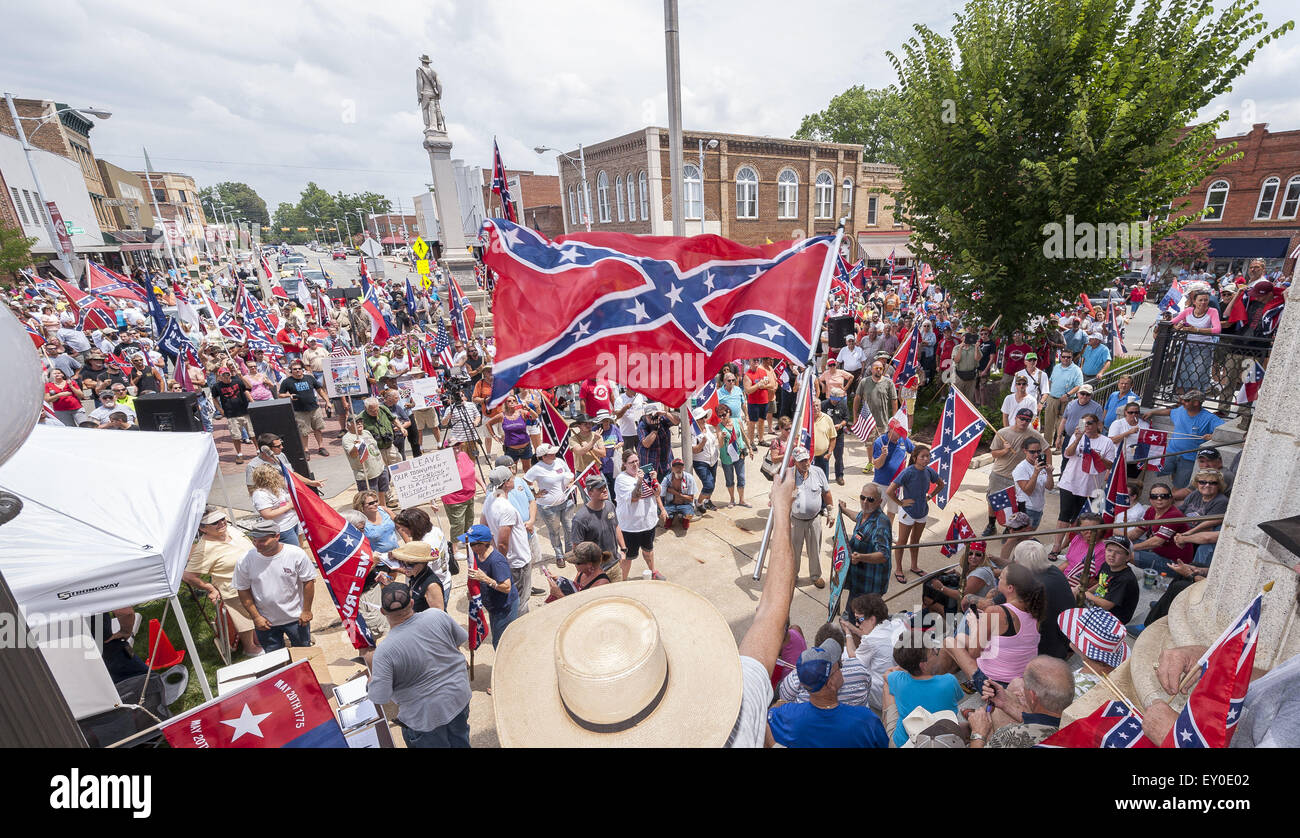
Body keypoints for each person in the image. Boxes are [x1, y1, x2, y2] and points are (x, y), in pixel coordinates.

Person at [366, 582, 470, 748]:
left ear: (383, 612)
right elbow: (459, 639)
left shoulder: (384, 651)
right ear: (412, 602)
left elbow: (380, 697)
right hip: (458, 699)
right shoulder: (437, 615)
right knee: (461, 741)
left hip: (425, 720)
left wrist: (372, 682)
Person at [765, 636, 888, 748]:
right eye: (839, 666)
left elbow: (763, 720)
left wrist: (779, 704)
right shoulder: (866, 720)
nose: (841, 668)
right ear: (830, 683)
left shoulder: (784, 715)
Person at [940, 563, 1044, 692]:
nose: (999, 577)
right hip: (1020, 677)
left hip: (992, 685)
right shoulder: (1035, 609)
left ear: (1010, 588)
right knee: (960, 637)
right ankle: (947, 675)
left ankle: (935, 681)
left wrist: (974, 624)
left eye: (1002, 577)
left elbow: (974, 652)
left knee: (949, 641)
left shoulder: (996, 611)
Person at [183, 508, 261, 656]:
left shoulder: (231, 530)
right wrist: (210, 588)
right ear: (202, 528)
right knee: (244, 620)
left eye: (222, 519)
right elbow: (188, 576)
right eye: (214, 522)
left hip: (256, 582)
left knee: (258, 614)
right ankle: (250, 648)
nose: (221, 523)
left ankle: (259, 640)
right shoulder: (204, 549)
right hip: (234, 590)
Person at [234, 519, 317, 652]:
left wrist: (306, 610)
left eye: (262, 540)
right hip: (266, 623)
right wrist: (256, 617)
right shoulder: (245, 560)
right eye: (254, 540)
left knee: (303, 654)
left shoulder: (296, 554)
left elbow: (308, 582)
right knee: (275, 660)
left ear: (277, 536)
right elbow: (243, 590)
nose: (257, 544)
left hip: (296, 619)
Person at [968, 655, 1074, 748]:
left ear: (1032, 696)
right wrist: (1006, 704)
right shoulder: (1078, 719)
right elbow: (1045, 721)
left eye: (1025, 684)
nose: (1022, 687)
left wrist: (978, 734)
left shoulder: (1012, 737)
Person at [881, 631, 964, 748]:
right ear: (923, 665)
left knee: (887, 685)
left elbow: (886, 674)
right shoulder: (949, 681)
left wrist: (904, 667)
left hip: (903, 741)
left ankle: (886, 724)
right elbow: (959, 697)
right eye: (933, 651)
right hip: (942, 739)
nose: (936, 651)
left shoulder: (897, 679)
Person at [1050, 413, 1115, 556]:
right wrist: (1078, 438)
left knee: (1084, 519)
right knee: (1064, 515)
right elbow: (1067, 454)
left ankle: (1073, 547)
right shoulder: (1077, 437)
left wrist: (1098, 457)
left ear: (1098, 425)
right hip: (1071, 482)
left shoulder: (1106, 442)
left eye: (1090, 423)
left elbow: (1110, 464)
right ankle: (1056, 546)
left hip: (1093, 487)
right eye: (1084, 423)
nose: (1087, 426)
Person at [985, 408, 1047, 536]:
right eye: (1022, 418)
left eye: (1028, 420)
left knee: (1014, 505)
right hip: (1000, 473)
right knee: (993, 501)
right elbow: (994, 453)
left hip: (1020, 476)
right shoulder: (1003, 433)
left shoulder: (1034, 434)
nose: (1024, 422)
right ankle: (991, 524)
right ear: (1016, 418)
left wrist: (1045, 466)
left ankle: (1010, 528)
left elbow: (1046, 449)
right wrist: (1005, 451)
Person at [482, 466, 536, 612]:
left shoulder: (489, 499)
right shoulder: (506, 509)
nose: (515, 480)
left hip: (507, 560)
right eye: (512, 478)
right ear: (506, 483)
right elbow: (503, 542)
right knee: (521, 601)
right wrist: (501, 562)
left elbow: (483, 526)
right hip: (516, 562)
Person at [888, 444, 944, 580]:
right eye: (922, 457)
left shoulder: (929, 471)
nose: (926, 459)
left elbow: (941, 484)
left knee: (915, 541)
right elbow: (890, 491)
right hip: (908, 512)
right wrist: (901, 503)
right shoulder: (908, 472)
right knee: (902, 541)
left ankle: (914, 566)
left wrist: (930, 496)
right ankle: (899, 569)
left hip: (922, 512)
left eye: (928, 456)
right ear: (915, 457)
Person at [839, 593, 903, 713]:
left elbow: (854, 658)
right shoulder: (892, 625)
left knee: (844, 656)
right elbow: (872, 636)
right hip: (896, 690)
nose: (857, 623)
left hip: (879, 696)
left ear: (872, 619)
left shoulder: (871, 641)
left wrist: (848, 633)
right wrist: (853, 628)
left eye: (859, 619)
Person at [461, 524, 517, 647]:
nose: (469, 546)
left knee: (501, 642)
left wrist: (485, 579)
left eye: (471, 544)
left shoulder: (496, 561)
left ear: (482, 544)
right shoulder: (475, 555)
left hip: (504, 607)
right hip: (493, 606)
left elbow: (507, 587)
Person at [614, 450, 667, 580]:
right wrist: (640, 481)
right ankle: (623, 580)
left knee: (648, 550)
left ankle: (653, 571)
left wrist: (654, 480)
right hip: (630, 527)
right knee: (628, 556)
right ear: (625, 464)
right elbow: (635, 497)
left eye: (637, 461)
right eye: (631, 462)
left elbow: (657, 492)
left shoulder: (645, 474)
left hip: (648, 522)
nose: (635, 464)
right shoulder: (622, 479)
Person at [836, 483, 892, 599]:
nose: (865, 502)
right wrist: (844, 510)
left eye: (870, 499)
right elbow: (857, 517)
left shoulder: (881, 524)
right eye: (862, 497)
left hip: (870, 585)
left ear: (880, 501)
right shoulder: (866, 513)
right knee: (852, 611)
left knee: (863, 615)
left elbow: (883, 555)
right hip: (858, 580)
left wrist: (861, 557)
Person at [787, 447, 832, 588]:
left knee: (815, 550)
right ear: (795, 462)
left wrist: (830, 512)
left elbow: (826, 492)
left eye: (807, 459)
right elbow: (783, 498)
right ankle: (792, 576)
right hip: (795, 521)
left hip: (814, 519)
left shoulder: (818, 472)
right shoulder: (789, 475)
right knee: (794, 552)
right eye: (801, 461)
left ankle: (815, 576)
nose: (805, 463)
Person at [569, 472, 626, 583]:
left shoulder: (610, 505)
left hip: (615, 564)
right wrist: (587, 571)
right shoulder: (580, 519)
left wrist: (623, 549)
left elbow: (616, 527)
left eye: (605, 487)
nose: (604, 490)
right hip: (597, 571)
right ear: (590, 493)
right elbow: (576, 549)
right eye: (599, 488)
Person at [392, 507, 451, 608]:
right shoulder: (435, 530)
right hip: (444, 580)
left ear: (413, 527)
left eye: (403, 528)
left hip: (430, 590)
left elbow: (417, 571)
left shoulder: (426, 545)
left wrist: (397, 568)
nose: (402, 531)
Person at [1074, 535, 1140, 624]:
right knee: (1073, 592)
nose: (1112, 555)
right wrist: (1087, 591)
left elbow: (1107, 605)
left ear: (1128, 557)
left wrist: (1086, 594)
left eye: (1118, 553)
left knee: (1076, 613)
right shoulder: (1106, 565)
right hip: (1100, 601)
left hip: (1114, 617)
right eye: (1109, 550)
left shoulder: (1125, 579)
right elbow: (1101, 583)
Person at [441, 442, 482, 571]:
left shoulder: (464, 455)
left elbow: (473, 472)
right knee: (457, 524)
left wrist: (483, 485)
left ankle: (466, 541)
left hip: (469, 495)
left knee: (469, 520)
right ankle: (455, 549)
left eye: (458, 446)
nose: (457, 449)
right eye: (453, 447)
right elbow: (434, 483)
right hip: (454, 499)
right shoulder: (443, 463)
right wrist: (432, 501)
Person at [279, 359, 331, 457]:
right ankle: (306, 450)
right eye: (295, 369)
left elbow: (320, 390)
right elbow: (280, 394)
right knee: (304, 432)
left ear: (302, 369)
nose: (298, 370)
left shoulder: (309, 378)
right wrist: (288, 396)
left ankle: (321, 447)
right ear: (291, 371)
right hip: (300, 411)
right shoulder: (287, 382)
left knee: (318, 429)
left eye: (299, 369)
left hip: (314, 408)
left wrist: (327, 401)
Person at [249, 464, 301, 546]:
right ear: (268, 478)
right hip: (283, 529)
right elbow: (267, 514)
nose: (278, 476)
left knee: (296, 549)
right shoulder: (260, 494)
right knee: (293, 552)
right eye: (275, 475)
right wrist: (289, 506)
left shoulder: (275, 487)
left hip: (292, 523)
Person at [1012, 436, 1054, 530]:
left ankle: (1011, 532)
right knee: (1020, 537)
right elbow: (1028, 491)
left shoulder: (1040, 464)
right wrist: (1035, 473)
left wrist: (1049, 474)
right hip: (1026, 508)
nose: (1036, 455)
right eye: (1032, 452)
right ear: (1025, 451)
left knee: (1026, 535)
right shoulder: (1021, 468)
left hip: (1038, 508)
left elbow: (1050, 487)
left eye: (1039, 451)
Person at [1043, 349, 1083, 447]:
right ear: (1060, 357)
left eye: (1068, 357)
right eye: (1063, 357)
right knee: (1049, 423)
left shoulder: (1076, 370)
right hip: (1052, 398)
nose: (1065, 359)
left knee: (1061, 424)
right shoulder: (1056, 367)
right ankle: (1046, 445)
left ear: (1072, 358)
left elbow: (1079, 386)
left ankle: (1059, 446)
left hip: (1066, 400)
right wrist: (1046, 393)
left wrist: (1068, 395)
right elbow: (1051, 380)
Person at [715, 402, 750, 507]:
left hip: (739, 454)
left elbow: (743, 435)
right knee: (729, 479)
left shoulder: (737, 421)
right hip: (727, 457)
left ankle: (742, 500)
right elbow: (721, 445)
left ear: (728, 412)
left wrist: (750, 449)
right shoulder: (719, 427)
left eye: (724, 414)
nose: (722, 417)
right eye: (720, 416)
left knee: (741, 477)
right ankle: (732, 499)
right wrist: (721, 437)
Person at [487, 393, 535, 468]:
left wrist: (528, 408)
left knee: (527, 469)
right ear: (506, 404)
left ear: (516, 402)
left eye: (514, 400)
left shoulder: (522, 412)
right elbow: (488, 424)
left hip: (525, 448)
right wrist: (494, 436)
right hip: (511, 450)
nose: (512, 402)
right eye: (509, 401)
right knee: (512, 472)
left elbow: (535, 416)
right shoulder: (502, 416)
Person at [1108, 401, 1149, 483]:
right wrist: (1128, 432)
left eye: (1136, 412)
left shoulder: (1145, 425)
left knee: (1130, 486)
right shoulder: (1118, 424)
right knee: (1115, 483)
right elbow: (1112, 440)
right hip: (1120, 459)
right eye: (1130, 412)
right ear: (1125, 413)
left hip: (1137, 461)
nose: (1134, 415)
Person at [636, 402, 678, 479]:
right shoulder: (642, 425)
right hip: (648, 462)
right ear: (645, 415)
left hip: (664, 463)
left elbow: (677, 421)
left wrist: (665, 413)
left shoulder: (662, 420)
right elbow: (646, 444)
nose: (653, 417)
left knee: (666, 485)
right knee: (650, 486)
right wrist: (654, 430)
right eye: (650, 415)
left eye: (655, 415)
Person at [689, 407, 719, 512]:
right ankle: (699, 503)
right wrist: (703, 442)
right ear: (696, 420)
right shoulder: (692, 431)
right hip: (701, 462)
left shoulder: (707, 426)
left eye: (704, 417)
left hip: (713, 460)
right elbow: (694, 450)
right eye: (701, 418)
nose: (703, 420)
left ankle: (707, 501)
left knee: (712, 482)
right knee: (708, 485)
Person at [358, 396, 400, 467]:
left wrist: (401, 428)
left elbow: (393, 419)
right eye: (372, 411)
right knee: (383, 469)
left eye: (376, 410)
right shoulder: (360, 418)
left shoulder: (383, 409)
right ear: (366, 408)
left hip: (390, 446)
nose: (375, 412)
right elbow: (358, 434)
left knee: (398, 464)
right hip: (376, 449)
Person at [353, 490, 399, 554]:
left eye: (376, 501)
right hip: (379, 561)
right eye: (371, 503)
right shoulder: (359, 522)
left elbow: (400, 526)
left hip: (396, 553)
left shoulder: (384, 510)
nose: (375, 504)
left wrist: (408, 544)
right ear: (361, 506)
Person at [820, 386, 850, 485]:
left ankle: (839, 476)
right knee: (824, 456)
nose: (835, 401)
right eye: (834, 399)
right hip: (825, 435)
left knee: (839, 457)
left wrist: (841, 425)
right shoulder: (823, 404)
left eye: (838, 399)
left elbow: (846, 418)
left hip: (838, 435)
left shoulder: (842, 405)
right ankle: (823, 477)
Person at [742, 358, 774, 448]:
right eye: (754, 360)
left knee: (762, 421)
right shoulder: (747, 375)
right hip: (753, 403)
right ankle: (751, 442)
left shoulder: (763, 372)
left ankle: (761, 440)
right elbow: (748, 390)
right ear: (750, 362)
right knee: (752, 423)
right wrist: (758, 385)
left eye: (757, 360)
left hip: (764, 401)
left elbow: (772, 385)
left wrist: (763, 385)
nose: (756, 362)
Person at [659, 457, 699, 530]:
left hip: (685, 504)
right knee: (662, 514)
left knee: (690, 514)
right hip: (671, 504)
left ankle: (685, 520)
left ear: (683, 468)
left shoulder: (689, 478)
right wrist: (662, 510)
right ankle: (670, 518)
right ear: (672, 468)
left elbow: (690, 498)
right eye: (675, 466)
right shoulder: (667, 479)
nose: (678, 468)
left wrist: (675, 493)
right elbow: (660, 494)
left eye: (680, 466)